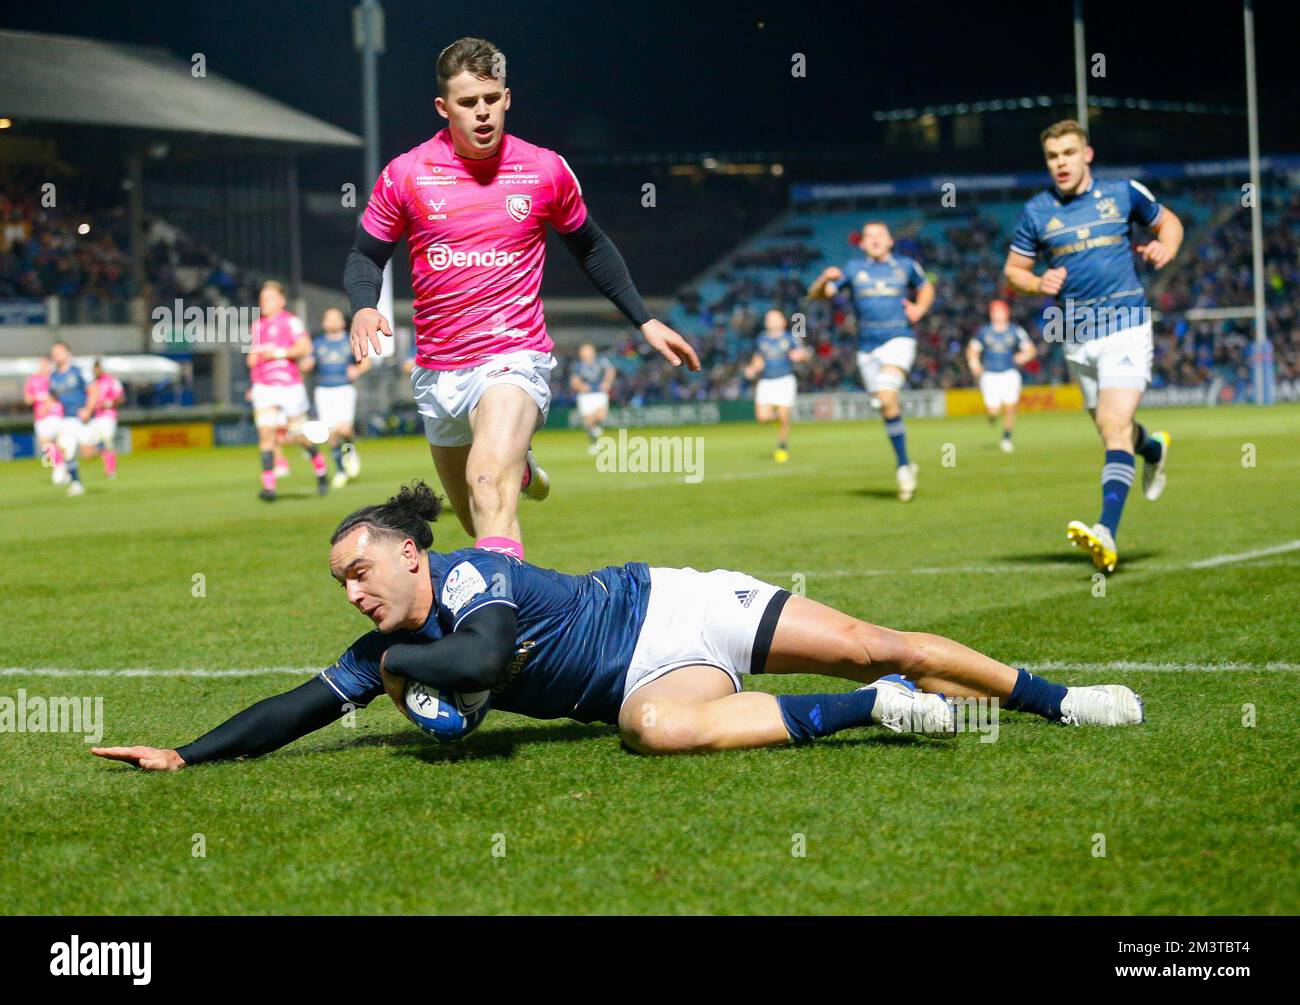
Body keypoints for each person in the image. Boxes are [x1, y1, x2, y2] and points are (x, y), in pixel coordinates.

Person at [91, 482, 1144, 772]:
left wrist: (400, 667)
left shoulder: (470, 575)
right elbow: (297, 708)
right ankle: (877, 713)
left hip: (673, 607)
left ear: (408, 553)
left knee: (878, 634)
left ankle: (1059, 700)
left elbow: (489, 657)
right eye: (343, 587)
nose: (354, 595)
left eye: (359, 572)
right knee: (656, 734)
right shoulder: (392, 645)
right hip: (647, 687)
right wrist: (188, 751)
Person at [343, 37, 699, 560]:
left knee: (488, 483)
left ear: (506, 98)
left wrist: (644, 320)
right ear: (444, 108)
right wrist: (364, 304)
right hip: (440, 370)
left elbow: (591, 245)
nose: (482, 113)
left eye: (491, 99)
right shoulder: (406, 174)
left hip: (513, 357)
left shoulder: (545, 170)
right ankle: (523, 468)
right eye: (468, 103)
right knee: (472, 518)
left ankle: (511, 633)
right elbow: (365, 256)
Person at [1004, 120, 1179, 572]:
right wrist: (1037, 281)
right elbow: (1013, 272)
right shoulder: (1036, 212)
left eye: (1067, 153)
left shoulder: (1123, 193)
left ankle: (1105, 533)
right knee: (1110, 429)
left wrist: (1167, 248)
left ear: (1087, 155)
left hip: (1125, 324)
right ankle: (1153, 449)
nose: (1060, 163)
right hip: (1072, 330)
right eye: (1052, 156)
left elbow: (1170, 224)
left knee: (1113, 423)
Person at [808, 221, 934, 500]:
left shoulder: (906, 266)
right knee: (887, 406)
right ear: (862, 244)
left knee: (885, 393)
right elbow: (818, 296)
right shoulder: (853, 269)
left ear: (890, 240)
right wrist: (823, 279)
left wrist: (920, 308)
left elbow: (926, 288)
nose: (875, 240)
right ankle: (904, 464)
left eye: (880, 235)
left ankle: (902, 469)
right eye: (869, 236)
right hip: (867, 348)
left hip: (899, 338)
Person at [247, 281, 329, 501]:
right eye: (262, 298)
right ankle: (269, 487)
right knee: (266, 434)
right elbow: (254, 357)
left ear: (281, 300)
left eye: (269, 297)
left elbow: (305, 347)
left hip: (289, 386)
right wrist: (253, 372)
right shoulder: (257, 326)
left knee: (298, 435)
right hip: (264, 386)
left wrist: (279, 353)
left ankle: (320, 470)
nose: (264, 302)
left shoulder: (291, 322)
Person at [306, 307, 370, 488]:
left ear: (342, 322)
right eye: (328, 318)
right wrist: (306, 364)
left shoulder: (350, 341)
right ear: (323, 323)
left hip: (343, 388)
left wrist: (356, 371)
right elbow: (307, 364)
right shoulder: (317, 343)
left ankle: (350, 449)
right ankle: (340, 471)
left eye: (336, 318)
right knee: (331, 433)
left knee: (344, 428)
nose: (332, 322)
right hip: (323, 390)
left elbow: (366, 362)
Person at [966, 300, 1036, 453]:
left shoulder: (1015, 330)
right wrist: (974, 364)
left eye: (1000, 311)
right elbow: (972, 350)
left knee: (1010, 407)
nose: (997, 314)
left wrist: (1022, 357)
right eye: (995, 311)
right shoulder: (984, 332)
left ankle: (1006, 438)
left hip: (1009, 373)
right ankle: (992, 418)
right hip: (990, 375)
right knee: (993, 411)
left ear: (1006, 313)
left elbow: (1030, 349)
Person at [742, 308, 809, 462]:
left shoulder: (791, 337)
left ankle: (782, 445)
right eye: (769, 318)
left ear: (783, 322)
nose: (771, 321)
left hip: (785, 380)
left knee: (784, 416)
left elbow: (803, 354)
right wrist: (752, 369)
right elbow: (758, 359)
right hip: (766, 381)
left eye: (774, 318)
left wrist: (801, 356)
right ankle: (777, 419)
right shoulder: (761, 339)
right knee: (762, 417)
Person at [47, 341, 90, 497]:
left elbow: (94, 390)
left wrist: (88, 410)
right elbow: (52, 396)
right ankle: (76, 483)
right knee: (66, 448)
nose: (55, 356)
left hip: (83, 419)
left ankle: (106, 454)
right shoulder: (54, 376)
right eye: (53, 353)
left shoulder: (79, 372)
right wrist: (46, 406)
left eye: (58, 353)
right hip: (67, 419)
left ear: (67, 353)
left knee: (88, 454)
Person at [22, 355, 66, 485]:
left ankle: (60, 468)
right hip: (40, 416)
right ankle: (61, 467)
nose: (44, 367)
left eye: (46, 364)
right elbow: (27, 399)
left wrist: (47, 405)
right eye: (42, 364)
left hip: (56, 413)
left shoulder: (55, 378)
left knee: (52, 442)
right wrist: (35, 398)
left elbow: (60, 394)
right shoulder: (32, 379)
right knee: (46, 445)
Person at [80, 358, 125, 479]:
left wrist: (110, 403)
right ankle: (107, 455)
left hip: (108, 416)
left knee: (107, 439)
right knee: (89, 449)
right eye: (94, 368)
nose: (96, 370)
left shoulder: (111, 381)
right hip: (94, 417)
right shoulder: (91, 383)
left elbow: (120, 397)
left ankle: (110, 470)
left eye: (97, 367)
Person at [568, 343, 615, 454]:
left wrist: (607, 383)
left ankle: (595, 429)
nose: (586, 354)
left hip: (599, 393)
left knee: (601, 416)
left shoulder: (601, 361)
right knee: (588, 422)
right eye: (584, 351)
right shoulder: (577, 365)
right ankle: (594, 443)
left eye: (588, 351)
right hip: (586, 396)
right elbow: (574, 381)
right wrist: (580, 386)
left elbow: (610, 371)